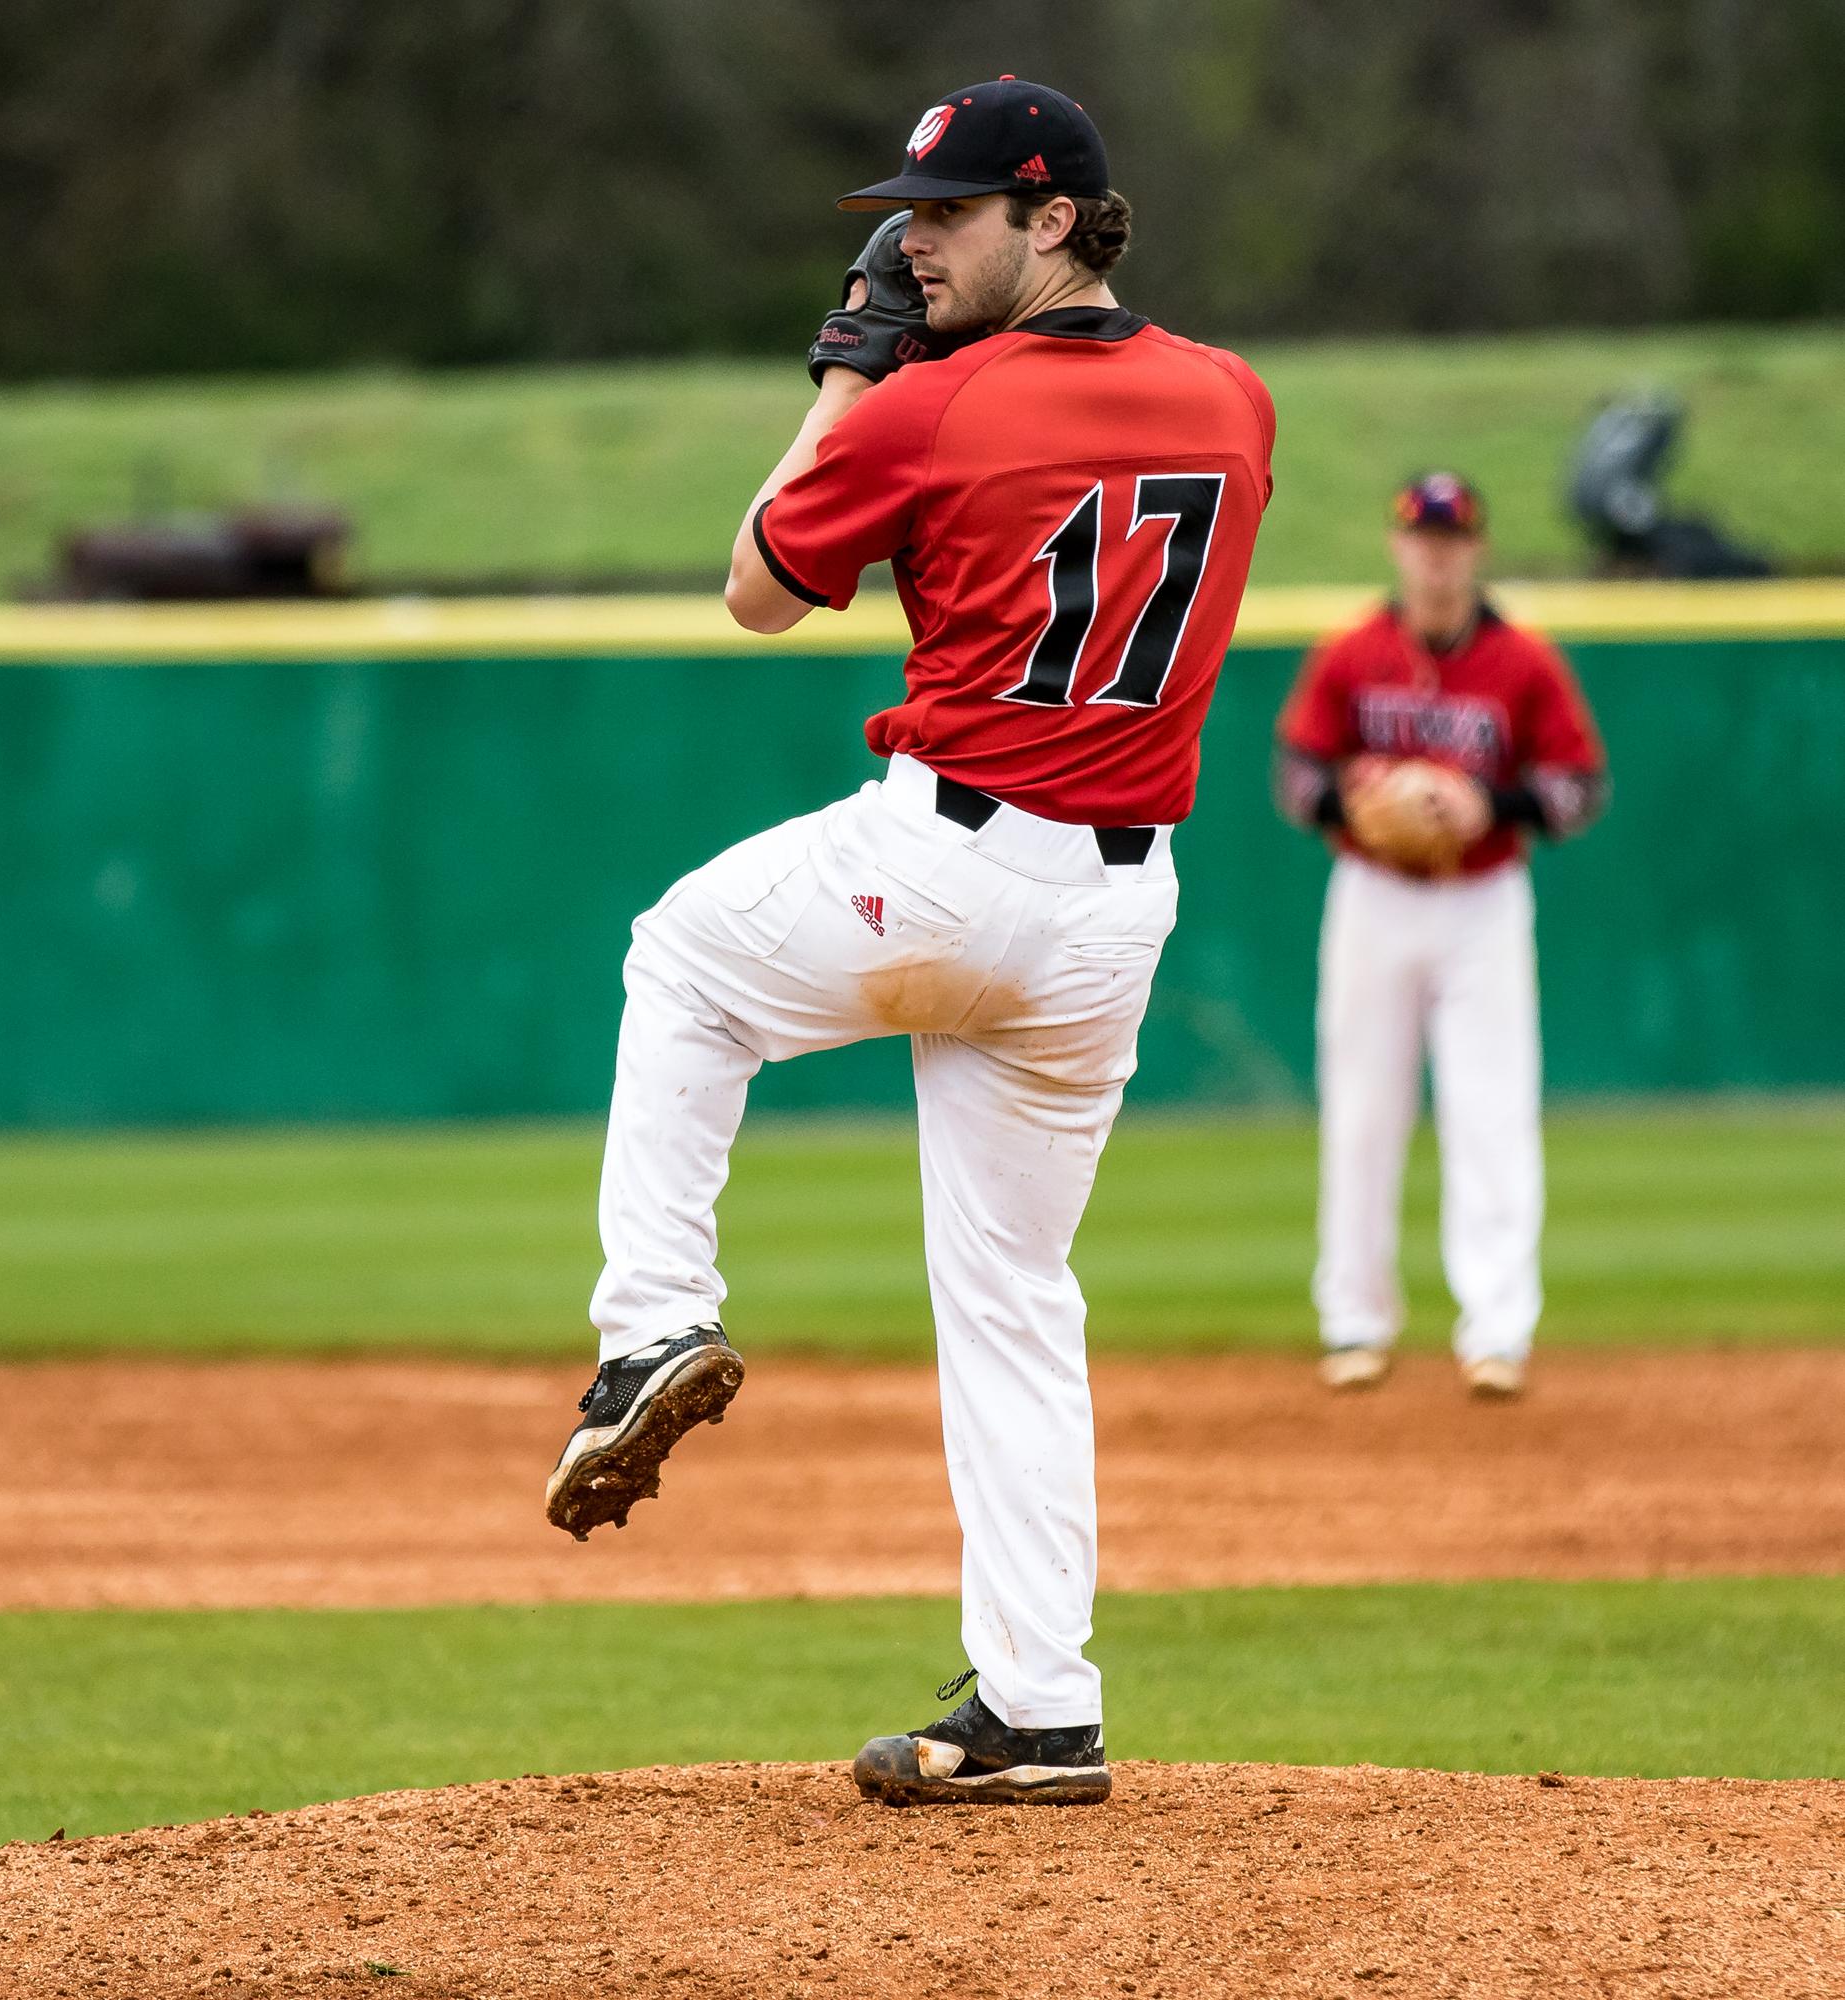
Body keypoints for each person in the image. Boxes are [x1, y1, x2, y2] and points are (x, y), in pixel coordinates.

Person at [543, 77, 1275, 1805]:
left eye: (948, 215)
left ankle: (651, 1325)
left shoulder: (929, 406)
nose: (910, 241)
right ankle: (1041, 1703)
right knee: (1018, 1296)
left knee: (680, 961)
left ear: (1053, 220)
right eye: (913, 211)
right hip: (1114, 910)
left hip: (951, 858)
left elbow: (759, 589)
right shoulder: (1235, 401)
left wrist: (851, 378)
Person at [1275, 474, 1607, 1399]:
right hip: (1373, 896)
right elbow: (1297, 776)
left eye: (1453, 538)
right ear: (1398, 547)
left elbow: (1581, 788)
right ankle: (1355, 1321)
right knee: (1362, 1111)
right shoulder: (1349, 654)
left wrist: (1488, 802)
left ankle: (1497, 1332)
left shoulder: (1526, 664)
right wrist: (1362, 801)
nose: (1437, 554)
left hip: (1482, 901)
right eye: (1422, 538)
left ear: (1478, 549)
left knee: (1491, 1113)